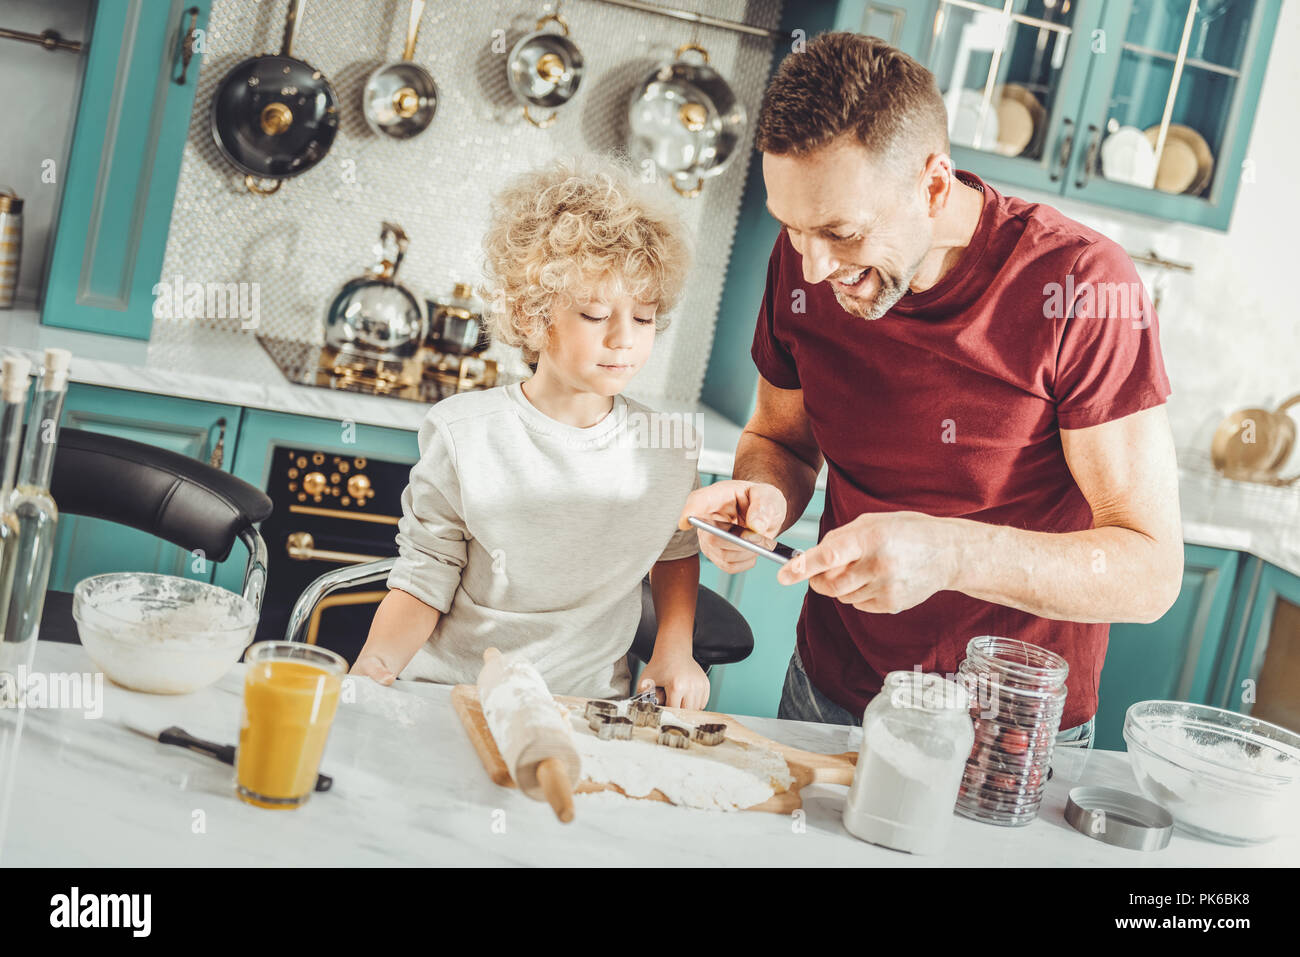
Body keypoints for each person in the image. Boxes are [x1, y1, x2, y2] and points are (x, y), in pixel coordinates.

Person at [678, 33, 1183, 747]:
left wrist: (948, 554)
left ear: (934, 186)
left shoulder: (1083, 285)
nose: (815, 267)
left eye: (841, 233)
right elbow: (780, 441)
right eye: (793, 228)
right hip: (828, 693)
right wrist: (763, 497)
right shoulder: (805, 259)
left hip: (1003, 732)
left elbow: (1149, 570)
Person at [353, 155, 710, 709]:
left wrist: (674, 649)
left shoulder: (668, 449)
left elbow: (674, 550)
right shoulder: (465, 434)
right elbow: (426, 576)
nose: (624, 339)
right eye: (595, 315)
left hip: (587, 709)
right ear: (531, 315)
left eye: (642, 318)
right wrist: (373, 669)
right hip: (454, 695)